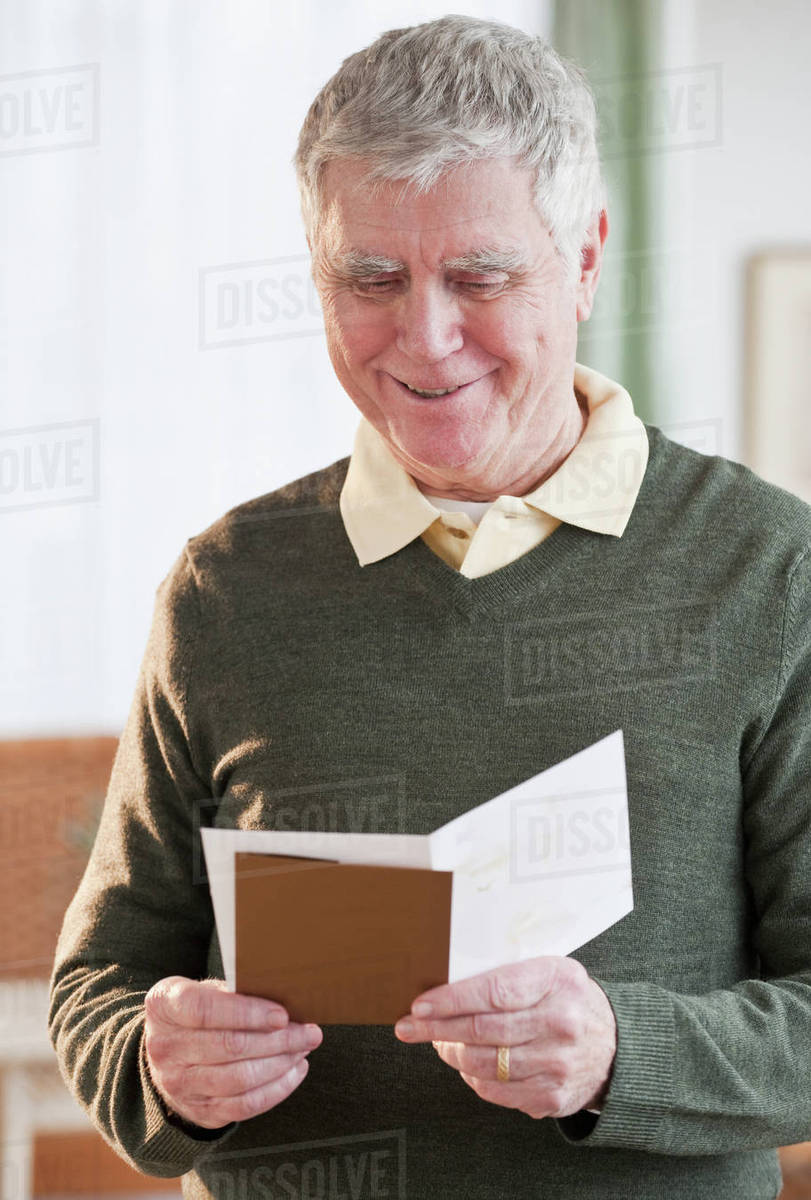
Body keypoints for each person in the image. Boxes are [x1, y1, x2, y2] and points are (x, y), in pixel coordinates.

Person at [49, 14, 811, 1200]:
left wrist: (625, 1053)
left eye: (479, 277)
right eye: (370, 279)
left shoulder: (769, 571)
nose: (427, 337)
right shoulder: (224, 591)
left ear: (588, 258)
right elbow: (99, 985)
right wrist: (158, 1066)